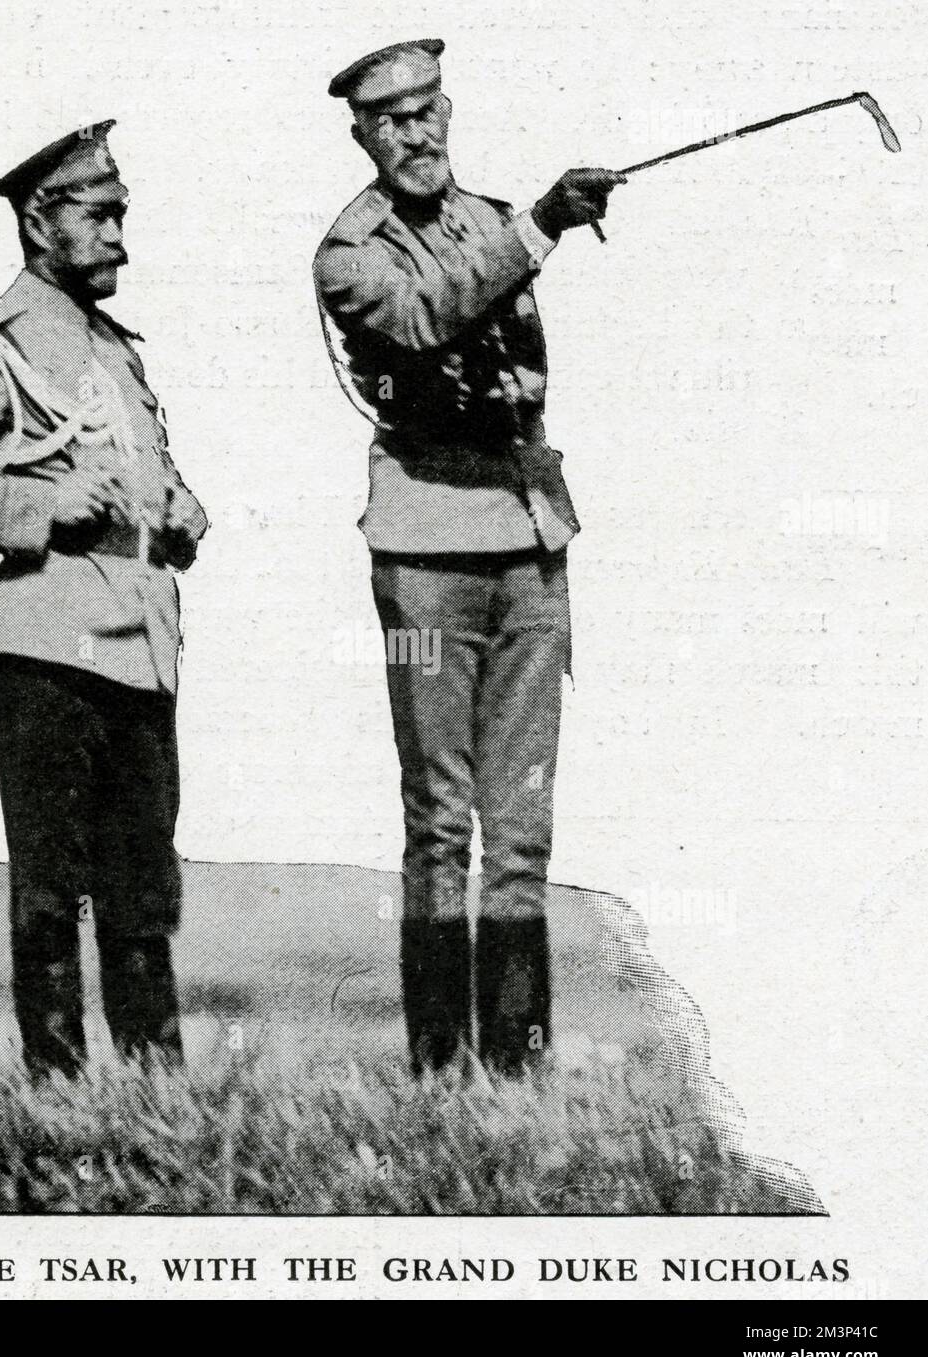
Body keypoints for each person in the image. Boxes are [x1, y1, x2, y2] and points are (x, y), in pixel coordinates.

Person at [314, 41, 625, 1075]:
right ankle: (441, 1074)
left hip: (531, 542)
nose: (414, 133)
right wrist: (542, 225)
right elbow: (422, 318)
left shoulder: (492, 221)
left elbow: (519, 373)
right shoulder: (351, 252)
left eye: (426, 110)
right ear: (361, 134)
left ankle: (519, 1070)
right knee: (442, 823)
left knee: (523, 830)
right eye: (388, 119)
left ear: (447, 112)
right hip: (424, 556)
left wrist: (528, 226)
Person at [0, 122, 208, 1077]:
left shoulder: (116, 350)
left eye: (121, 217)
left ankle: (159, 1093)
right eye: (100, 217)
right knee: (52, 889)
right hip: (42, 650)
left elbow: (147, 470)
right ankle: (58, 1092)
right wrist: (40, 505)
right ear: (40, 221)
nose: (118, 238)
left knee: (145, 891)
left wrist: (180, 509)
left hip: (140, 649)